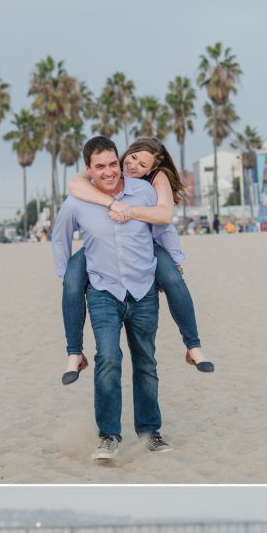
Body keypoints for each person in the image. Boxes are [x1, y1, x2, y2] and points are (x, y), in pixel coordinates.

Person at [52, 135, 171, 462]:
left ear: (120, 161)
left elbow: (160, 229)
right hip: (103, 291)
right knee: (108, 358)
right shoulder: (77, 202)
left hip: (143, 290)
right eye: (100, 166)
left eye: (113, 164)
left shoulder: (142, 192)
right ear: (88, 169)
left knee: (146, 360)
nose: (108, 172)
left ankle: (150, 433)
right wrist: (68, 277)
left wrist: (169, 266)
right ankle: (108, 436)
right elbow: (60, 238)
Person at [63, 136, 213, 382]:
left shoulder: (156, 178)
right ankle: (74, 354)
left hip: (146, 243)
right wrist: (112, 203)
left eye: (142, 165)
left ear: (151, 169)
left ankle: (193, 347)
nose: (133, 166)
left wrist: (131, 213)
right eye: (132, 157)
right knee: (71, 281)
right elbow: (75, 184)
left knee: (174, 279)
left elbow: (164, 217)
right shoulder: (111, 168)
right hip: (105, 244)